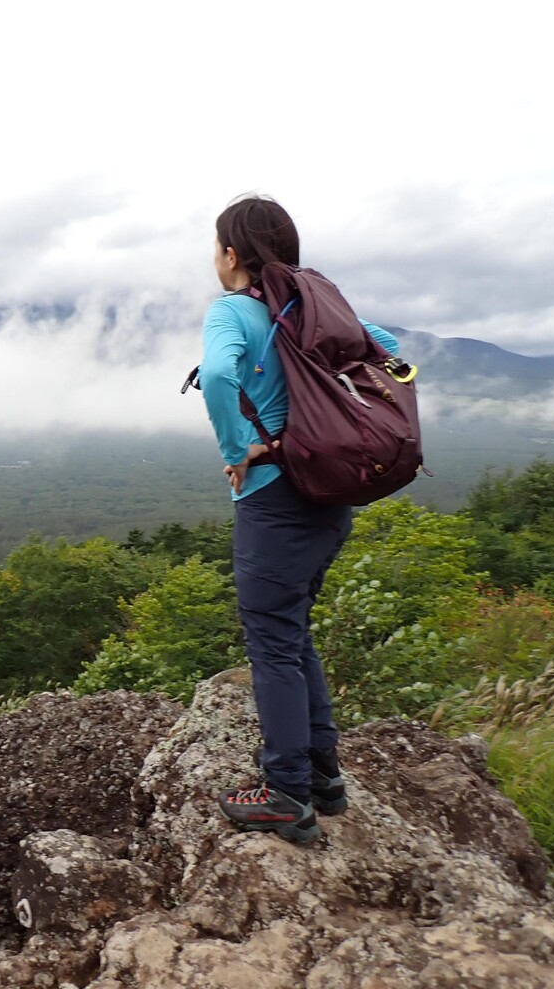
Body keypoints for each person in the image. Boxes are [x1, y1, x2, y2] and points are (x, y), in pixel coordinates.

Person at [199, 194, 399, 845]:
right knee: (293, 634)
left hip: (275, 500)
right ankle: (323, 775)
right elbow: (390, 351)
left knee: (272, 645)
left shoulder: (232, 311)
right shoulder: (312, 306)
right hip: (329, 494)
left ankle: (286, 792)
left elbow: (224, 377)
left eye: (216, 247)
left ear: (231, 255)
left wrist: (240, 452)